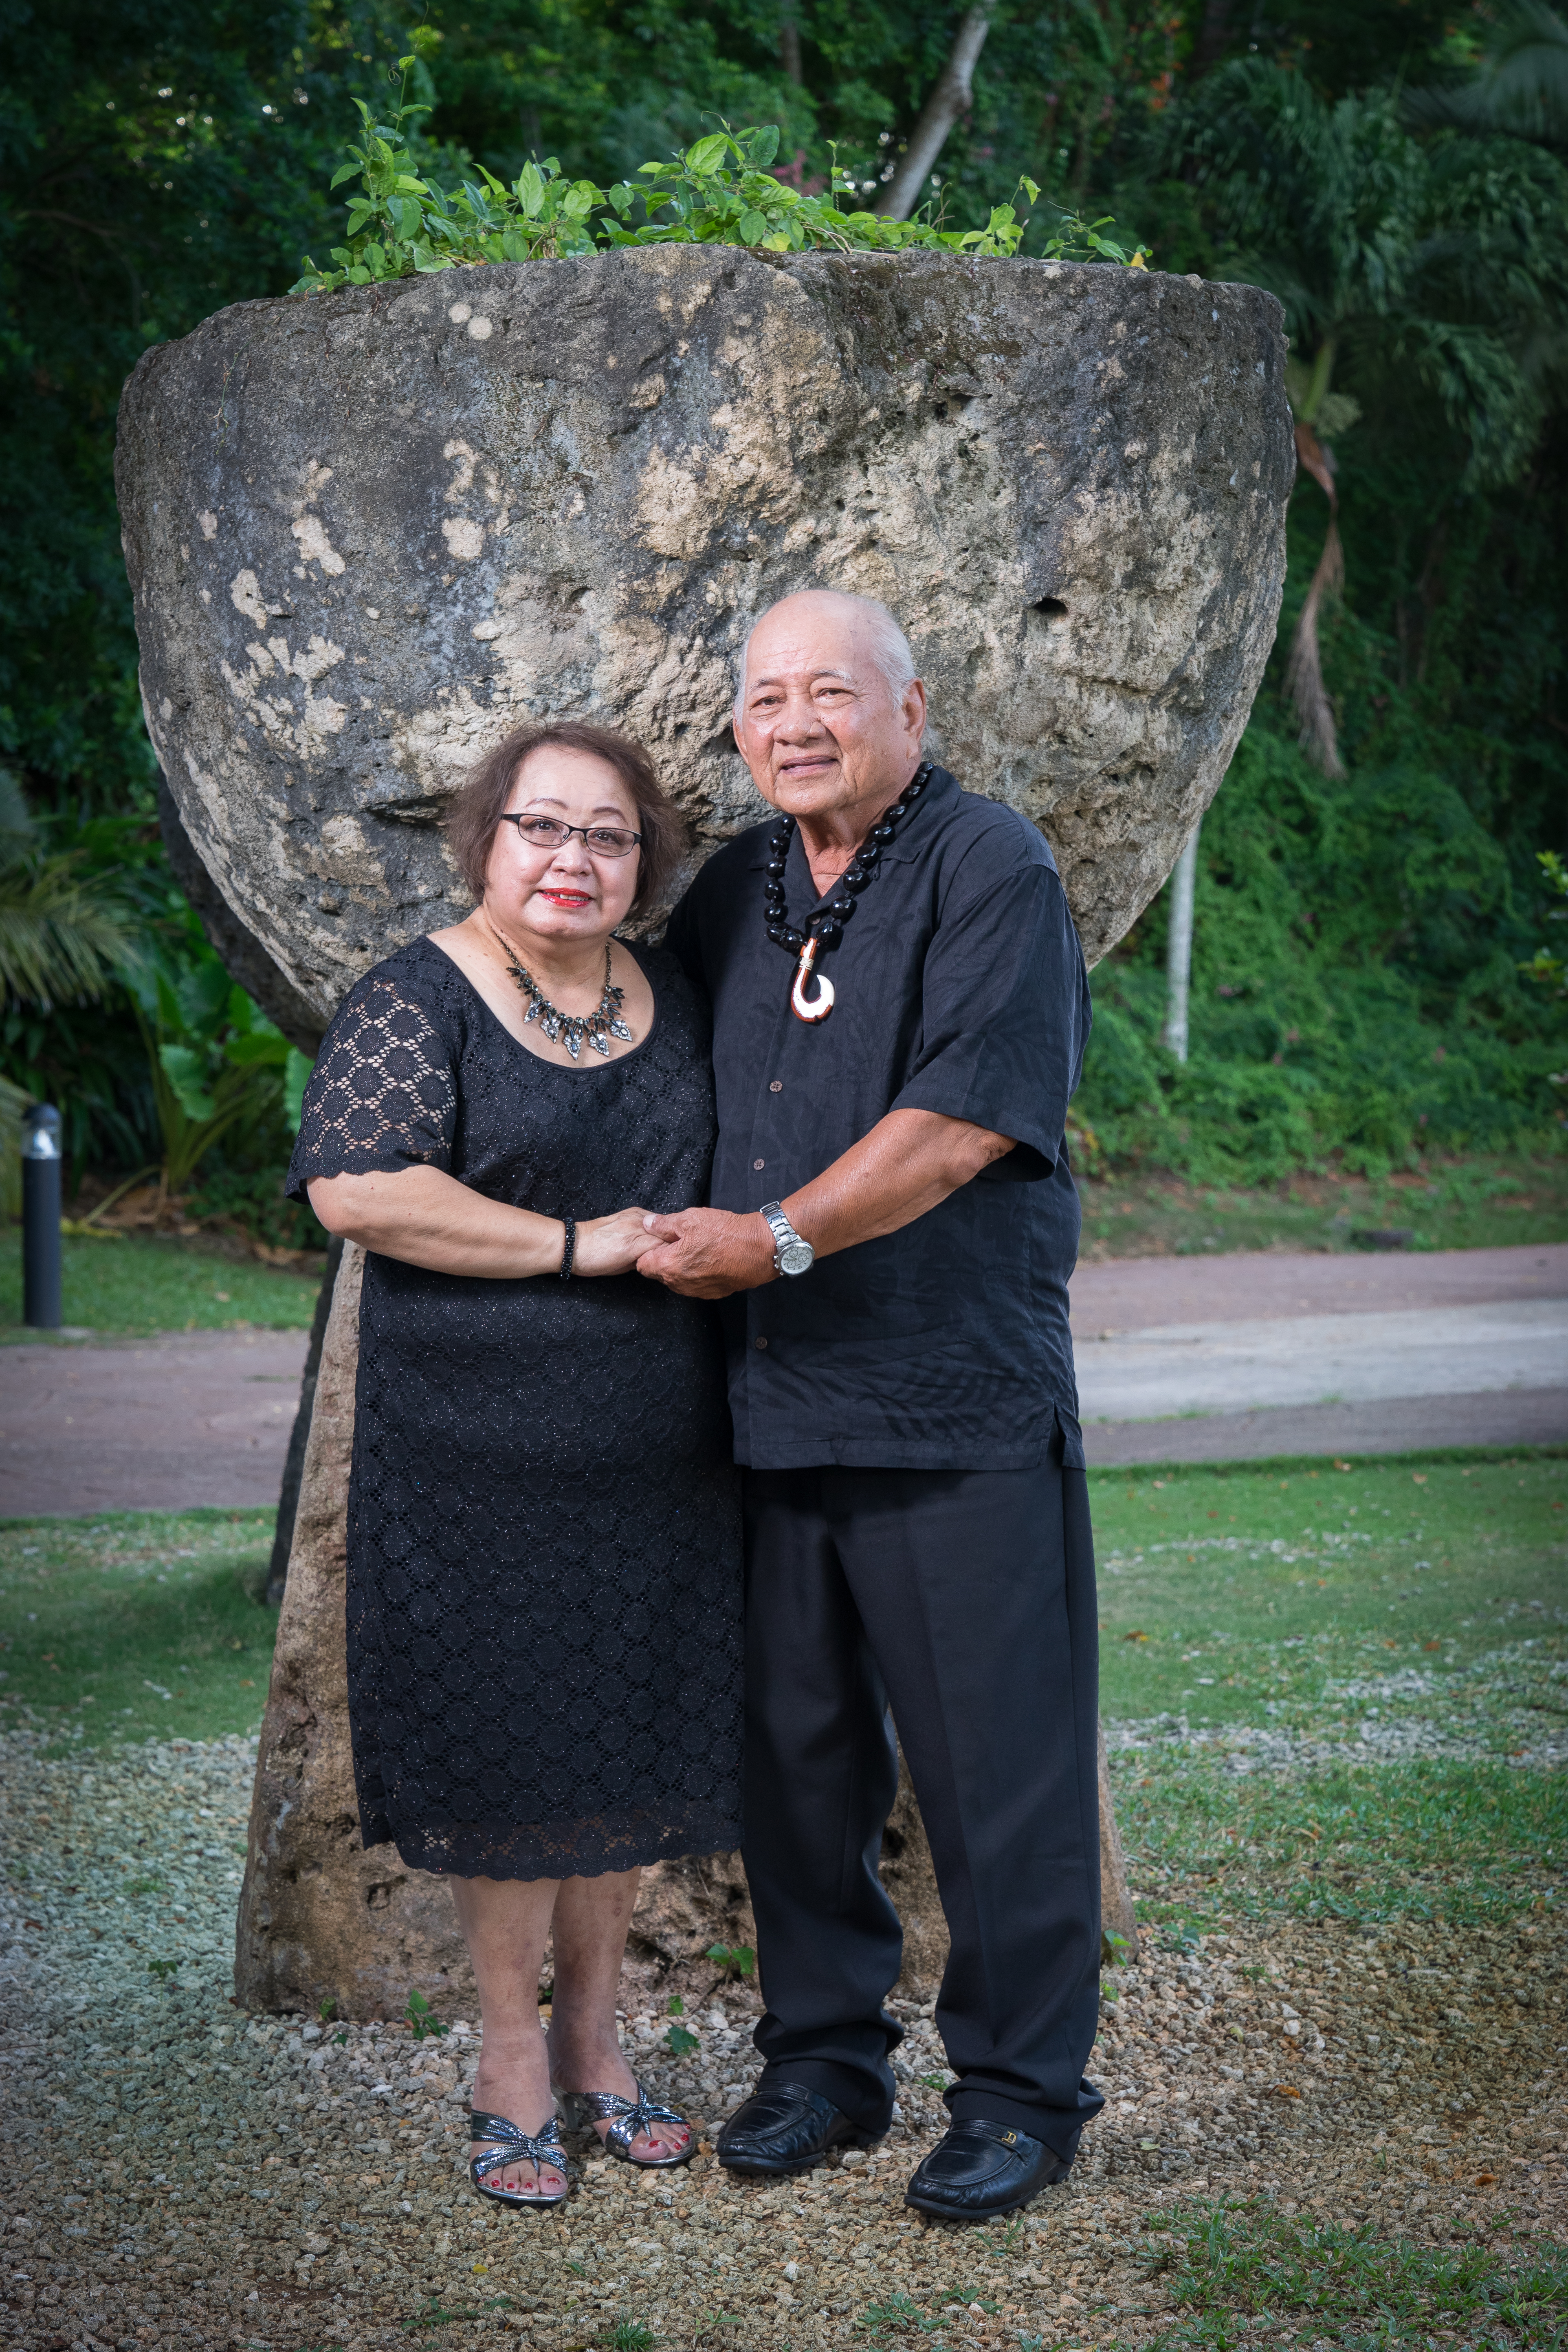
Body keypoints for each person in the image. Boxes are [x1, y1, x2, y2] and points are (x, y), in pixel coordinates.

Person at [639, 589, 1102, 2222]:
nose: (795, 722)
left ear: (912, 710)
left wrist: (774, 1237)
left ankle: (1023, 2091)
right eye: (766, 698)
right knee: (799, 1758)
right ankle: (826, 2059)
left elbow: (965, 1123)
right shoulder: (739, 890)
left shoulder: (994, 868)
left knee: (999, 1767)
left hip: (949, 1395)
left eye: (832, 690)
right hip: (770, 1401)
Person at [290, 720, 743, 2210]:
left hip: (657, 1448)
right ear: (486, 842)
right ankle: (506, 2059)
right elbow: (359, 1190)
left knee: (618, 1744)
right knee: (513, 1754)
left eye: (606, 835)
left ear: (643, 863)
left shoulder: (669, 993)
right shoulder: (417, 995)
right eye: (541, 827)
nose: (572, 858)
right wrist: (576, 1243)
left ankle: (601, 2051)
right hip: (474, 1455)